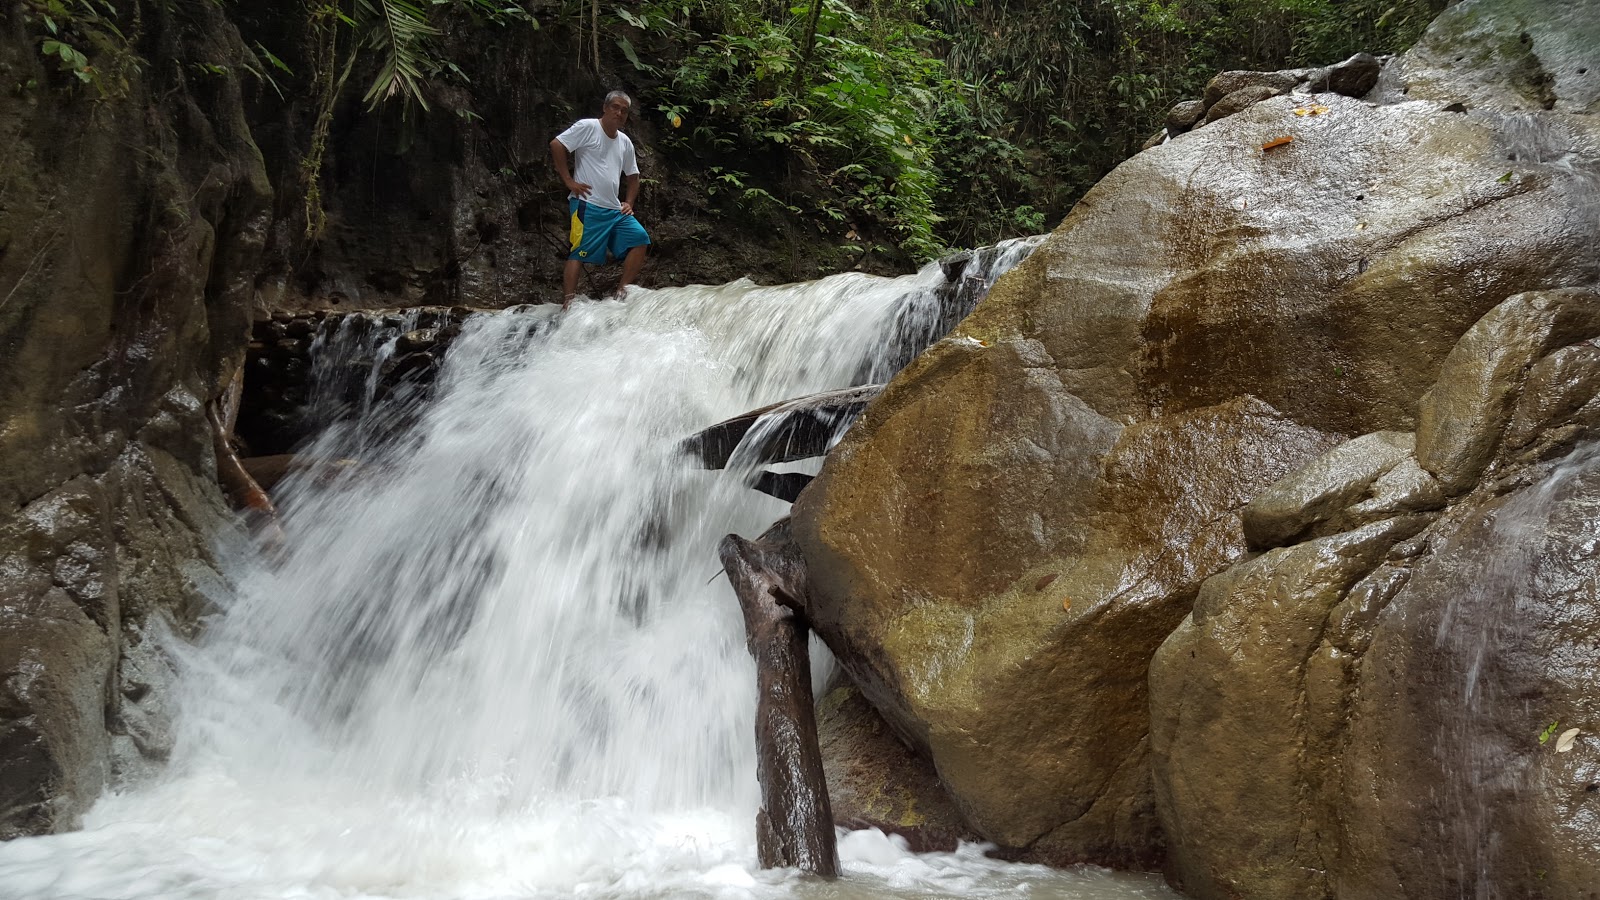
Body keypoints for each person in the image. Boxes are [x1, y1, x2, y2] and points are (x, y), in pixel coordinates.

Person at [550, 91, 650, 309]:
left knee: (640, 239)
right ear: (605, 108)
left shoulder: (625, 142)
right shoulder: (588, 127)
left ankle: (622, 291)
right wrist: (569, 181)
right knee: (578, 251)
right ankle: (568, 303)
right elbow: (557, 145)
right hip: (587, 204)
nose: (619, 113)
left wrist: (629, 203)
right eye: (615, 107)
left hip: (614, 209)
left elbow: (633, 177)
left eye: (624, 110)